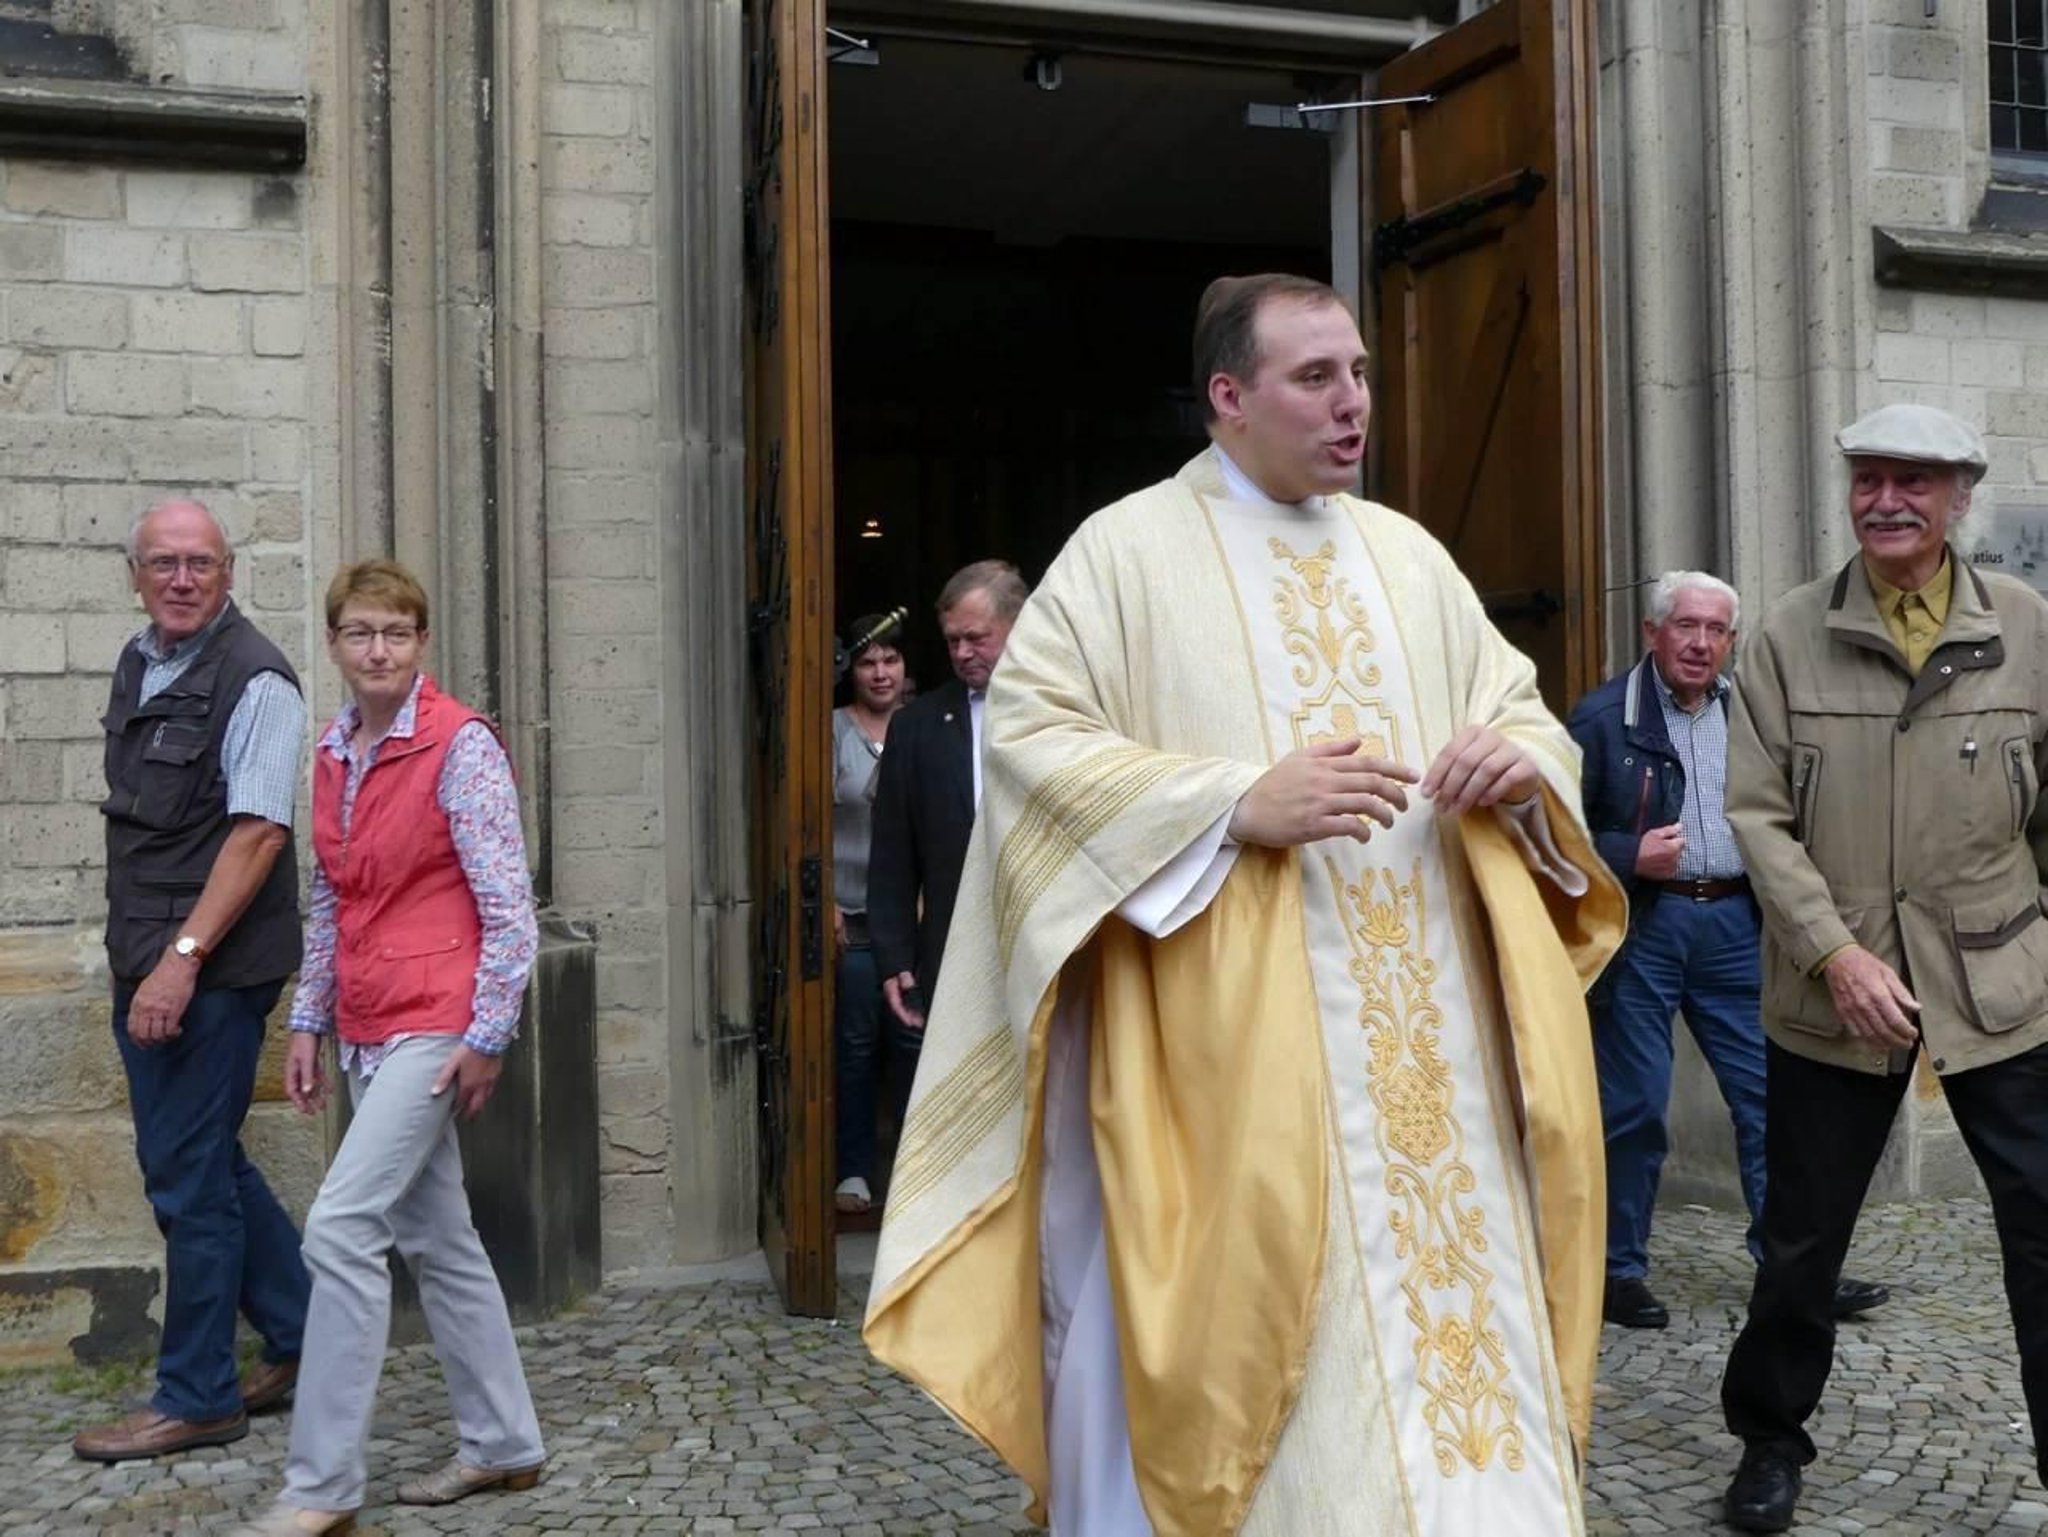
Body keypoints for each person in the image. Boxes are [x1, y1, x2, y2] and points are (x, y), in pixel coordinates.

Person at [864, 273, 1626, 1535]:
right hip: (1228, 1055)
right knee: (1232, 1342)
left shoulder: (1408, 555)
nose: (1353, 405)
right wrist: (1228, 803)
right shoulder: (1123, 553)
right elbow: (1033, 748)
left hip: (1431, 1065)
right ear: (1226, 396)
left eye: (1361, 373)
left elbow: (1521, 709)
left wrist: (1523, 768)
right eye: (1314, 377)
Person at [1718, 403, 2048, 1533]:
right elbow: (1756, 818)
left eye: (1912, 480)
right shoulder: (1781, 634)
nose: (1884, 499)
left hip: (1999, 982)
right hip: (1829, 987)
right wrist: (1833, 950)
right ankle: (1767, 1440)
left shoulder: (2022, 625)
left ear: (1958, 497)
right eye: (1867, 478)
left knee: (2042, 1232)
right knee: (1802, 1237)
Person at [231, 560, 545, 1537]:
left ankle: (321, 1487)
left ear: (421, 645)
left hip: (438, 1017)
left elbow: (508, 907)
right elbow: (332, 897)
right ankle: (503, 1442)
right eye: (361, 632)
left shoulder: (460, 746)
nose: (379, 650)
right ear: (334, 643)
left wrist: (489, 1033)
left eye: (397, 634)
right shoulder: (332, 750)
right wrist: (309, 1021)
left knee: (339, 1227)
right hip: (366, 1019)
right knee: (435, 1235)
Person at [1569, 573, 1888, 1332]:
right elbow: (1549, 836)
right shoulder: (1603, 718)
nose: (1701, 643)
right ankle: (1618, 1272)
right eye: (1686, 626)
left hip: (1736, 927)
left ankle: (1797, 1268)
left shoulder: (1749, 710)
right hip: (1645, 927)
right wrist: (1623, 851)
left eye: (1717, 630)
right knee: (1635, 1106)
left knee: (1772, 1100)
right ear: (1653, 632)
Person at [74, 499, 310, 1464]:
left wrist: (179, 962)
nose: (181, 578)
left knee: (188, 1179)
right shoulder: (144, 659)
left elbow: (256, 833)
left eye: (200, 563)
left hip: (206, 969)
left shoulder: (256, 679)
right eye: (164, 562)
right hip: (151, 953)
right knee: (209, 1159)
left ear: (228, 572)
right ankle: (310, 1337)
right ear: (135, 573)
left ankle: (200, 1392)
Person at [866, 559, 1027, 1130]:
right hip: (952, 954)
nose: (961, 653)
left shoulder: (1067, 713)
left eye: (976, 638)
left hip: (1047, 946)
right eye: (953, 640)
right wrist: (894, 957)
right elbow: (891, 856)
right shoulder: (918, 726)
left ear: (1018, 625)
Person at [833, 611, 908, 1214]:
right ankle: (853, 1170)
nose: (880, 672)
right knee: (857, 1047)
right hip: (852, 917)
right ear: (850, 671)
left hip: (913, 921)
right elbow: (806, 819)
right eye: (867, 661)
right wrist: (824, 899)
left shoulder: (928, 727)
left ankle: (916, 1173)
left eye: (890, 659)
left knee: (915, 1044)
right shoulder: (831, 732)